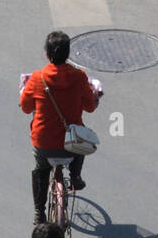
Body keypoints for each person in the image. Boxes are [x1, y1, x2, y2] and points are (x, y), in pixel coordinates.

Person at [20, 30, 102, 222]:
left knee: (41, 170)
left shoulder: (37, 78)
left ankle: (39, 213)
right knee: (82, 140)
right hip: (71, 145)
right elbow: (90, 107)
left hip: (43, 143)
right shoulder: (79, 77)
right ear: (68, 54)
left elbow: (25, 107)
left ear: (47, 55)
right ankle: (75, 177)